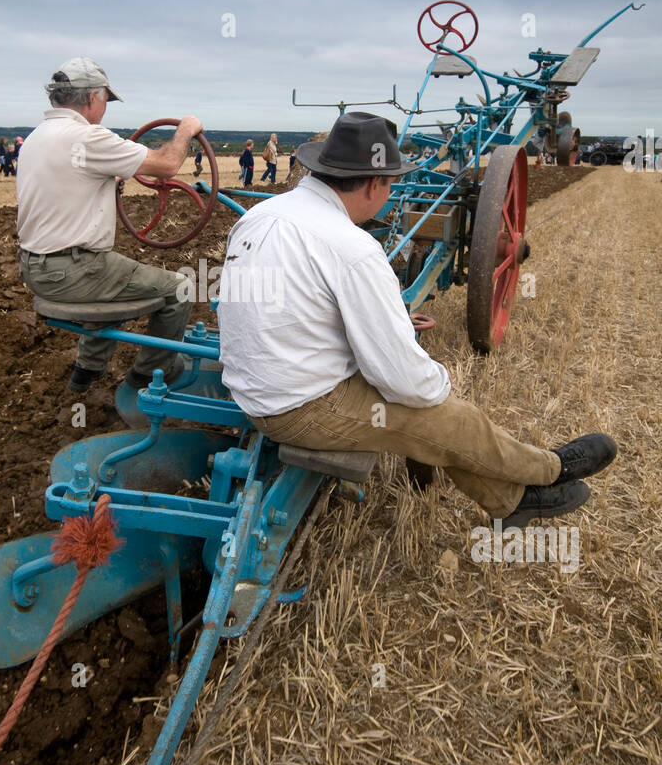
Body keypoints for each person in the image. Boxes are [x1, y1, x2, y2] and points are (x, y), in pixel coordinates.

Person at [218, 112, 617, 528]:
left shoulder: (259, 216)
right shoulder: (352, 247)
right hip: (299, 408)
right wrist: (440, 383)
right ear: (375, 184)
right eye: (391, 185)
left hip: (256, 389)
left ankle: (511, 500)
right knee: (448, 419)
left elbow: (300, 307)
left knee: (438, 426)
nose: (390, 195)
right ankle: (551, 469)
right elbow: (403, 380)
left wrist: (389, 321)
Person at [17, 55, 203, 392]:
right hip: (71, 272)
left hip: (35, 268)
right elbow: (167, 164)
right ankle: (147, 377)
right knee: (179, 288)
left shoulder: (37, 137)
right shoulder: (88, 138)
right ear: (92, 97)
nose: (105, 109)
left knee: (117, 278)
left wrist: (106, 181)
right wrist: (185, 130)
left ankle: (86, 372)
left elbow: (66, 184)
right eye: (105, 100)